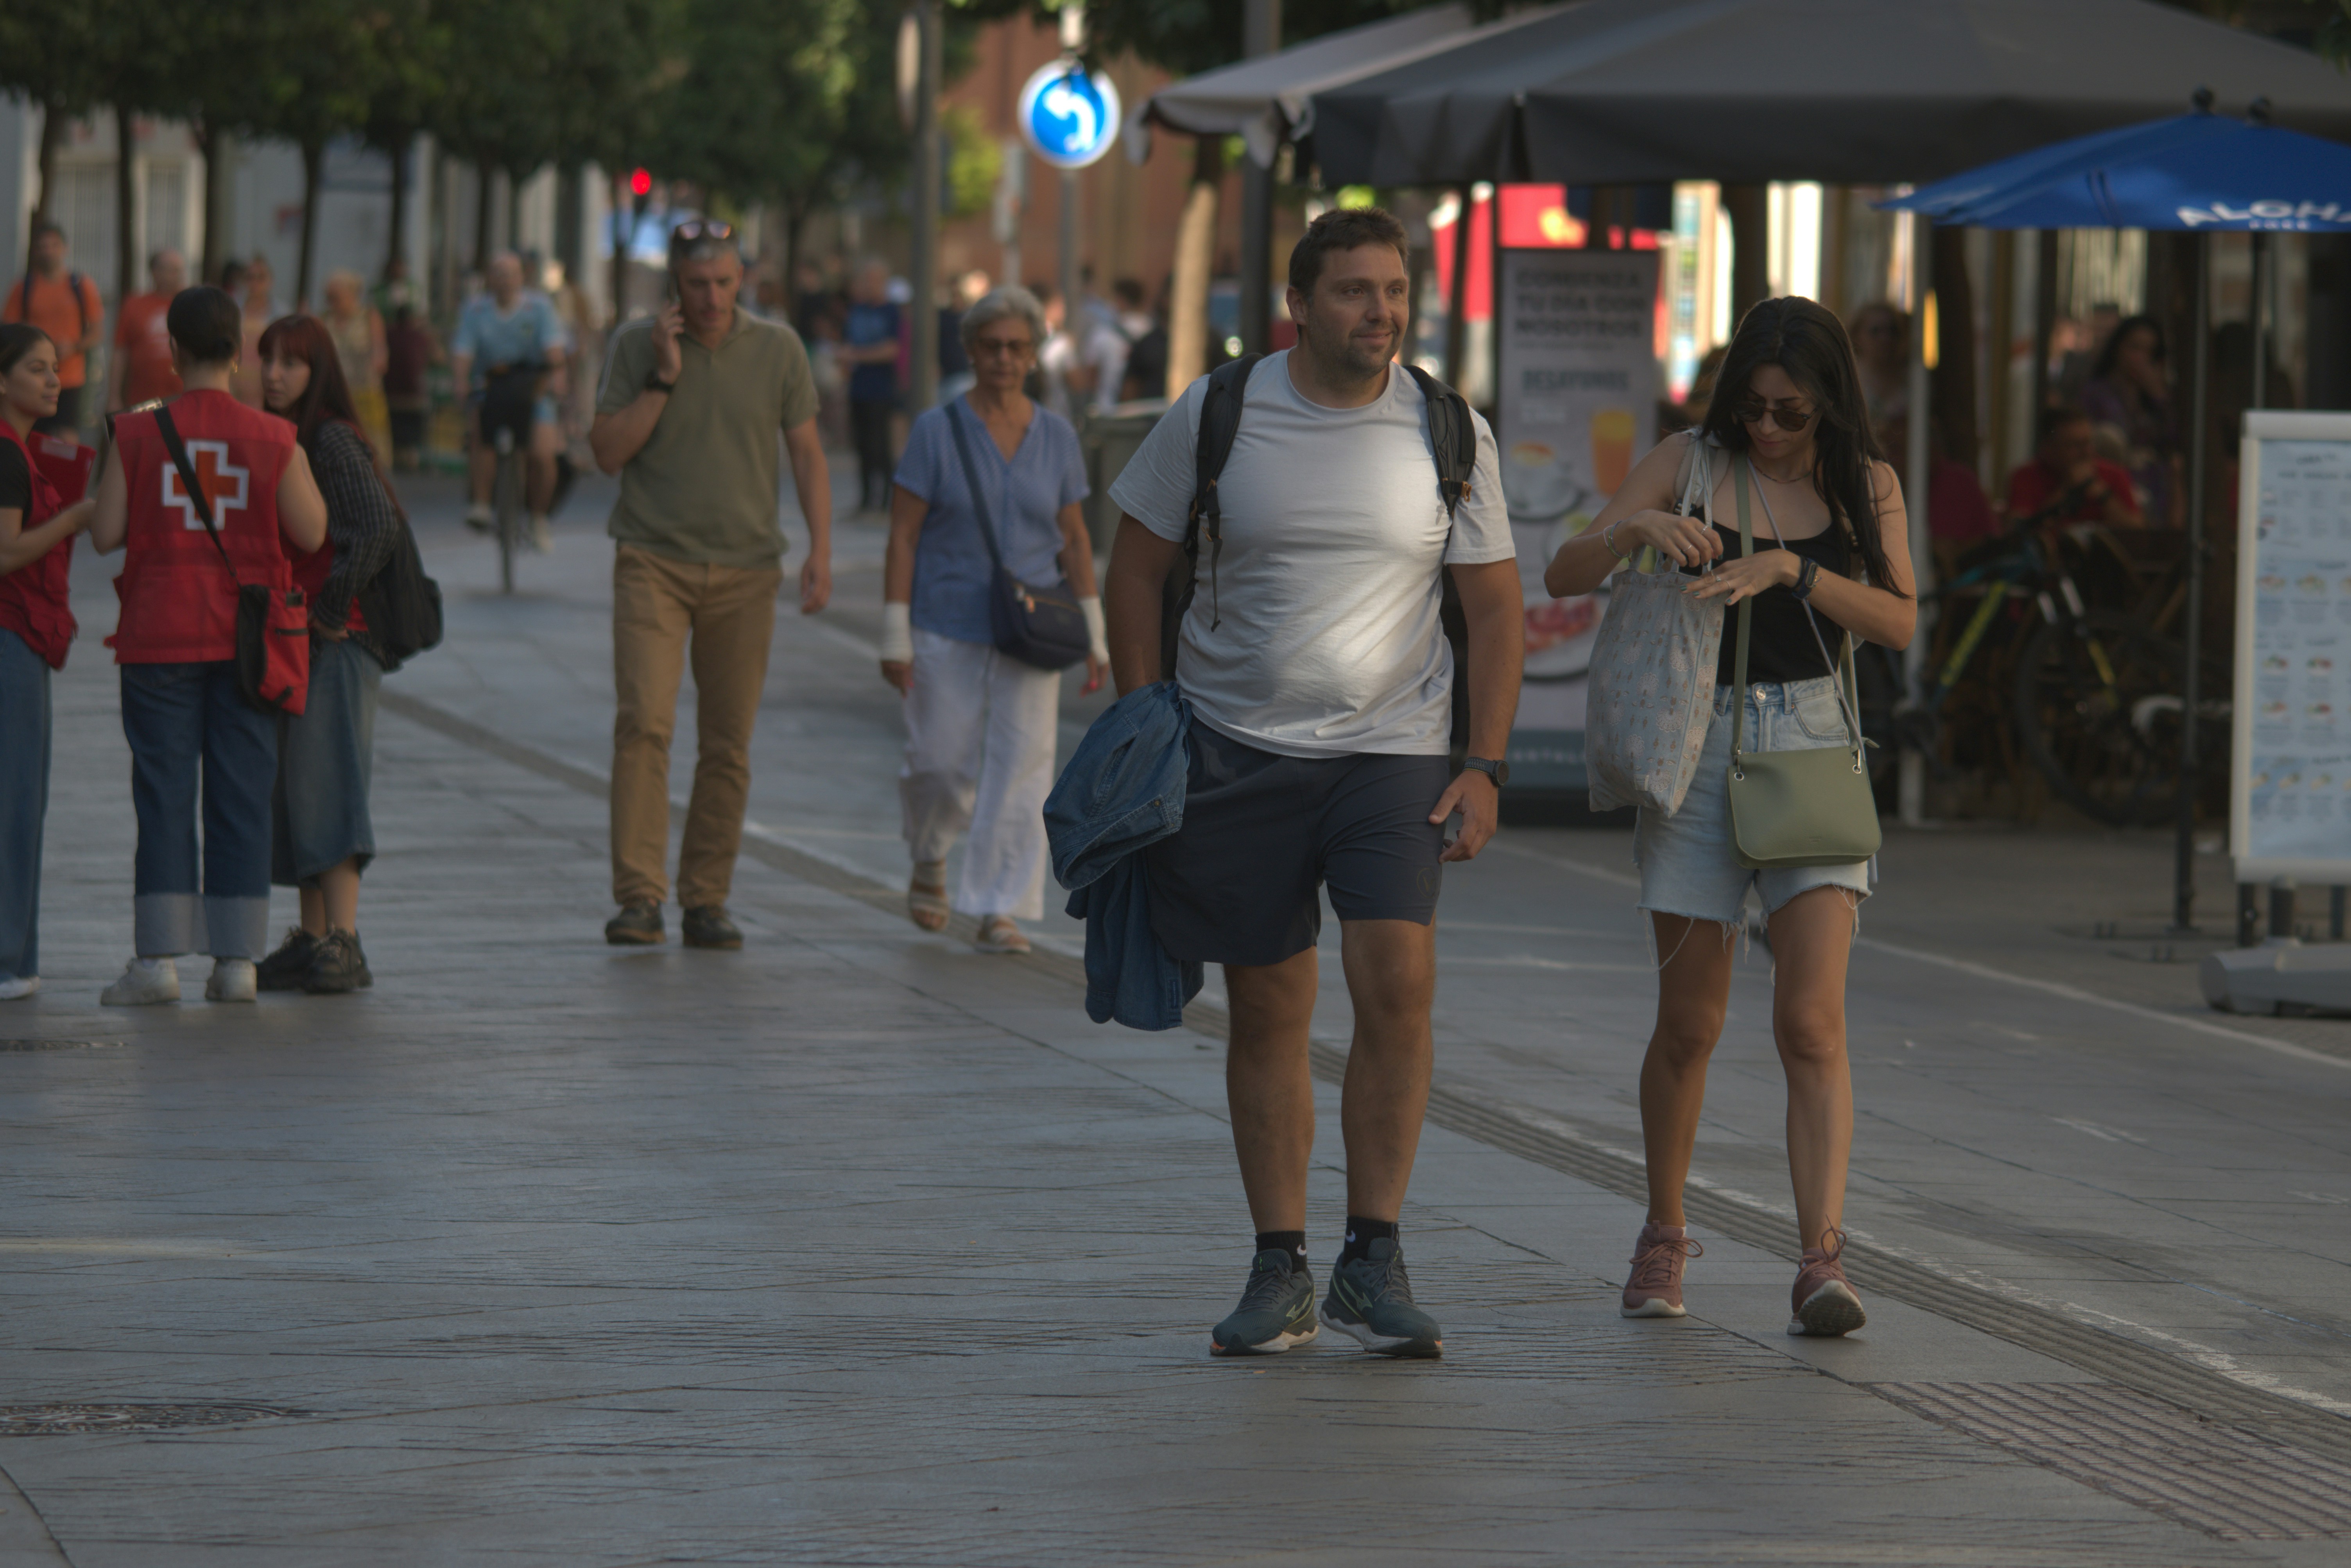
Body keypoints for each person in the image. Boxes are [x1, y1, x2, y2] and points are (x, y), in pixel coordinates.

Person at [1103, 207, 1523, 1359]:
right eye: (1352, 290)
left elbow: (1492, 609)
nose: (1377, 310)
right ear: (1298, 304)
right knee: (1270, 1006)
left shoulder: (1447, 426)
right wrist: (1148, 719)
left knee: (1398, 981)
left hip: (1393, 753)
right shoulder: (1221, 410)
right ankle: (1279, 1262)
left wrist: (1482, 763)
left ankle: (1374, 1256)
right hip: (1238, 744)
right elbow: (1133, 569)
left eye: (1392, 289)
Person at [1542, 295, 1916, 1338]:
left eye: (1790, 411)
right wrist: (1629, 530)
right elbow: (1559, 570)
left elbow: (1896, 616)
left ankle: (1819, 1258)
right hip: (1697, 749)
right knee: (1689, 1023)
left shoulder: (1864, 485)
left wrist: (1794, 570)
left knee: (1809, 1020)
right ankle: (1662, 1231)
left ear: (1828, 405)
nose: (1766, 428)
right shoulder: (1689, 461)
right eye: (1750, 406)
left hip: (1810, 750)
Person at [589, 220, 833, 949]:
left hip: (746, 569)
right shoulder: (637, 346)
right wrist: (664, 374)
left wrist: (820, 550)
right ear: (674, 286)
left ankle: (706, 898)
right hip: (652, 560)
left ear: (741, 279)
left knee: (727, 742)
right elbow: (606, 453)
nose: (712, 298)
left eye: (725, 282)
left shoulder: (778, 349)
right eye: (697, 285)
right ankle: (639, 896)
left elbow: (808, 455)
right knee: (645, 724)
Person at [84, 286, 330, 1005]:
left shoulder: (137, 430)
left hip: (158, 637)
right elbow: (312, 532)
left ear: (174, 352)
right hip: (248, 646)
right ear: (238, 349)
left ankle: (157, 963)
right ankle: (237, 965)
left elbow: (103, 535)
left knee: (162, 794)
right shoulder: (272, 436)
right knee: (243, 795)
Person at [878, 286, 1106, 955]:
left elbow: (1075, 539)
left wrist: (1093, 633)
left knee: (1023, 767)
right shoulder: (936, 431)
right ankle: (929, 853)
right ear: (971, 352)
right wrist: (894, 631)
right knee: (939, 763)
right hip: (945, 619)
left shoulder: (1057, 436)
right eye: (991, 347)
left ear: (1033, 355)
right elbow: (902, 535)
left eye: (1016, 347)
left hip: (1031, 629)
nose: (1003, 358)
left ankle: (997, 906)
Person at [253, 313, 403, 995]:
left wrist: (333, 606)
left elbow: (377, 527)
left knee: (331, 779)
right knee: (302, 786)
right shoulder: (292, 437)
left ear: (320, 374)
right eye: (268, 361)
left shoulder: (331, 439)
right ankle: (312, 938)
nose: (275, 375)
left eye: (292, 363)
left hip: (341, 641)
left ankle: (344, 939)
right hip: (302, 637)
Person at [0, 325, 99, 1001]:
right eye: (36, 368)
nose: (52, 379)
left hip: (24, 637)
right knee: (15, 797)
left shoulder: (26, 451)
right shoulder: (7, 456)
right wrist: (76, 518)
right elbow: (4, 553)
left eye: (55, 368)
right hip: (10, 635)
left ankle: (19, 955)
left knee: (22, 796)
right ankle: (9, 957)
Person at [451, 252, 570, 551]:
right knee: (481, 430)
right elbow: (463, 351)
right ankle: (480, 503)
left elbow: (554, 350)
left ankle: (538, 518)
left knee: (544, 454)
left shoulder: (539, 308)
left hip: (531, 384)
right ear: (489, 279)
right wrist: (461, 382)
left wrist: (557, 378)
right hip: (491, 383)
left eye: (511, 274)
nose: (505, 280)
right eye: (498, 273)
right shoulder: (476, 309)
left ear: (522, 278)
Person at [2079, 313, 2182, 528]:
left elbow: (2174, 439)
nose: (2140, 359)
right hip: (2113, 485)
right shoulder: (2098, 393)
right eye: (2134, 348)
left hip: (2156, 490)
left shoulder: (2156, 396)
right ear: (2118, 348)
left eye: (2148, 353)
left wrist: (2158, 394)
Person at [3, 221, 104, 435]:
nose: (48, 251)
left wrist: (75, 347)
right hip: (32, 380)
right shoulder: (23, 288)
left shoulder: (81, 285)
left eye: (54, 245)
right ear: (36, 251)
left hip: (70, 379)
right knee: (29, 436)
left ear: (64, 249)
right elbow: (8, 333)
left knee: (66, 440)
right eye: (43, 246)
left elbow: (96, 332)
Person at [2005, 405, 2143, 530]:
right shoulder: (2026, 477)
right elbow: (2017, 531)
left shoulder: (2113, 475)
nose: (2087, 452)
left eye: (2088, 443)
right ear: (2048, 449)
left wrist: (2103, 495)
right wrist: (2068, 490)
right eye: (2075, 445)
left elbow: (2136, 530)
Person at [840, 258, 901, 512]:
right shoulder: (857, 311)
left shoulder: (891, 312)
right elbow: (847, 345)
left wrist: (857, 355)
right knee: (862, 446)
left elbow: (892, 350)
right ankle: (866, 499)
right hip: (858, 387)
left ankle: (887, 499)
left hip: (881, 388)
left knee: (881, 446)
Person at [321, 270, 392, 462]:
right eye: (329, 297)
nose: (331, 302)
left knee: (370, 446)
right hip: (335, 393)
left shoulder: (369, 316)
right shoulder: (325, 319)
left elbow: (380, 350)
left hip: (365, 392)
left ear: (352, 295)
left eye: (336, 297)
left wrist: (378, 360)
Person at [109, 249, 188, 412]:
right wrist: (114, 397)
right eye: (171, 270)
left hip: (182, 397)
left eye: (179, 270)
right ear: (155, 272)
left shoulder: (192, 305)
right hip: (142, 399)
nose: (176, 275)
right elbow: (120, 353)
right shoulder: (134, 304)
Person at [1844, 301, 1907, 450]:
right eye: (1876, 331)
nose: (1885, 339)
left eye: (1893, 331)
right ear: (1857, 335)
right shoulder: (1848, 379)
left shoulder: (1913, 381)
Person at [383, 303, 436, 471]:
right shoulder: (420, 337)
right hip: (414, 395)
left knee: (395, 426)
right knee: (414, 426)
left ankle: (397, 456)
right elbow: (437, 358)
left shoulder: (387, 335)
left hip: (390, 394)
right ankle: (412, 456)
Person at [229, 255, 278, 408]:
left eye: (261, 277)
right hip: (233, 387)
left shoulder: (280, 315)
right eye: (250, 277)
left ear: (270, 281)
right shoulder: (232, 310)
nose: (255, 283)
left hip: (264, 391)